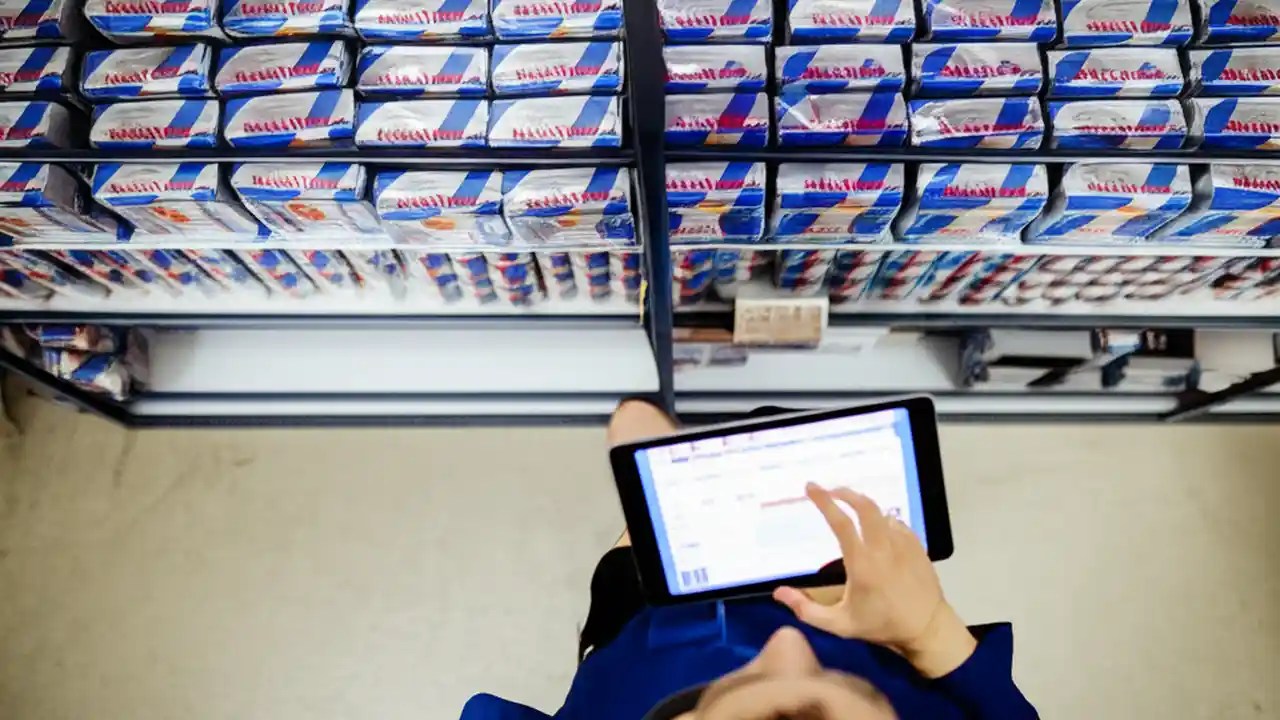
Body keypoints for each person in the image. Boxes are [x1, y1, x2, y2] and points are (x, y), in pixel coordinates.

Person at [462, 400, 1039, 720]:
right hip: (860, 618)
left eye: (749, 679)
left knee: (646, 432)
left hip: (646, 627)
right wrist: (926, 629)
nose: (790, 645)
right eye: (858, 692)